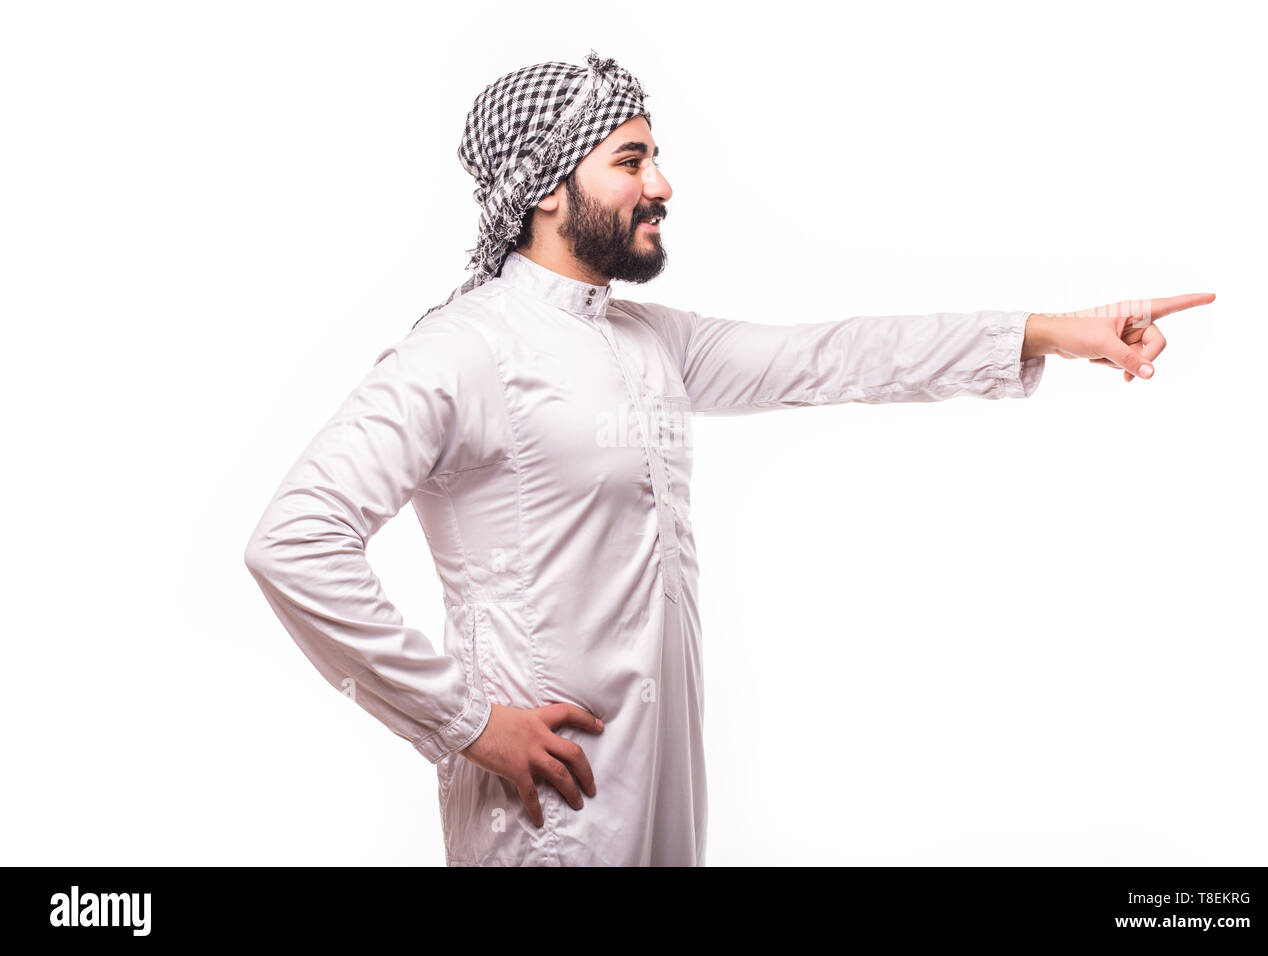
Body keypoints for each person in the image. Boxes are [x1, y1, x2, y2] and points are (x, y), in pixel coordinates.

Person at [243, 50, 1216, 866]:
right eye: (631, 161)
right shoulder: (463, 351)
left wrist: (1062, 332)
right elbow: (295, 541)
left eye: (656, 157)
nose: (661, 184)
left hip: (661, 792)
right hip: (541, 820)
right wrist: (465, 720)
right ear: (545, 185)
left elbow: (831, 357)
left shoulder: (648, 342)